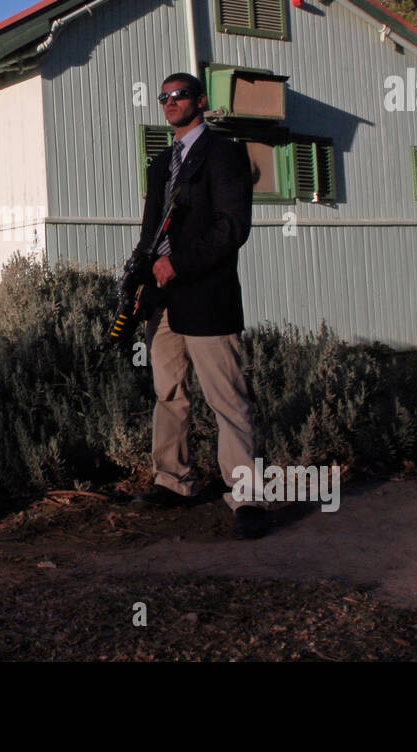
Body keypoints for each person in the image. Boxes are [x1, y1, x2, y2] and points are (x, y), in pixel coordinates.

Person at [131, 72, 268, 539]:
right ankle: (174, 480)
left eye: (179, 95)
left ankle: (246, 498)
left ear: (201, 101)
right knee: (169, 394)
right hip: (162, 300)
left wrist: (178, 265)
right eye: (164, 96)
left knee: (227, 400)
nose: (170, 102)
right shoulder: (160, 164)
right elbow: (151, 232)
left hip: (207, 294)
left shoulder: (226, 154)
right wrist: (140, 274)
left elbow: (232, 228)